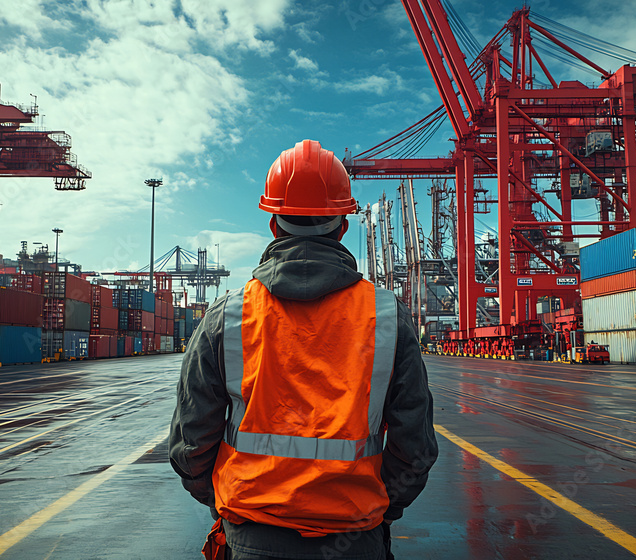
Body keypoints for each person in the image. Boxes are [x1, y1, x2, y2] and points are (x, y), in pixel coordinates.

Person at [169, 139, 438, 560]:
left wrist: (228, 505)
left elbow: (191, 443)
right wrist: (377, 512)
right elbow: (416, 449)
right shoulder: (387, 316)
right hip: (355, 540)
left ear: (273, 225)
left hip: (251, 535)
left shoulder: (228, 315)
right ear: (343, 227)